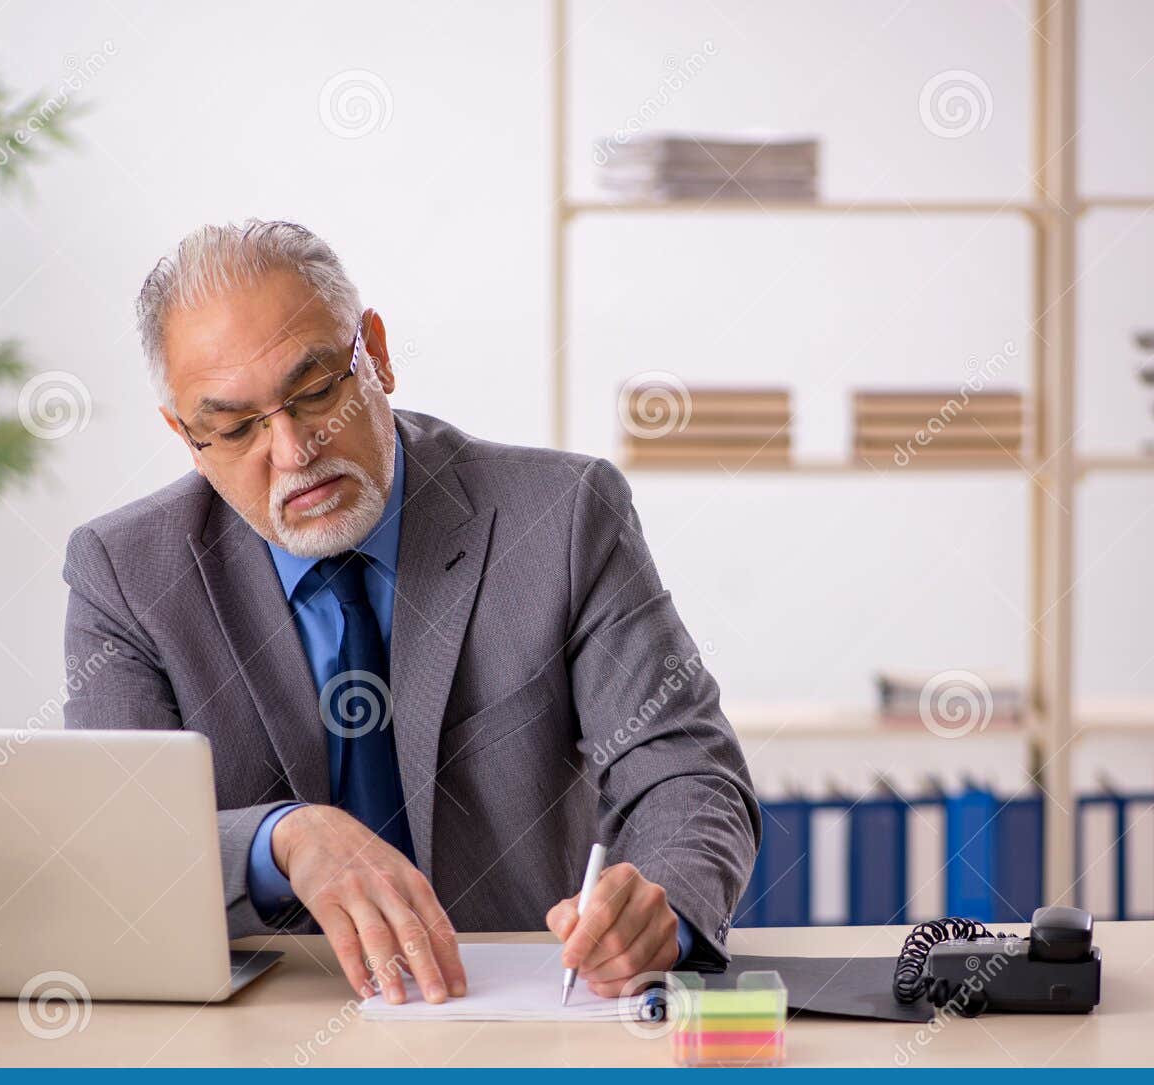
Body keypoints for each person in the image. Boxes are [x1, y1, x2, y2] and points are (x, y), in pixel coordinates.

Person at [62, 220, 759, 1005]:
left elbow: (685, 771)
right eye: (235, 427)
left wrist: (660, 903)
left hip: (528, 1030)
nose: (294, 450)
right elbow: (117, 847)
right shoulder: (126, 573)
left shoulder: (561, 518)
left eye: (317, 389)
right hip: (264, 1043)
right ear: (186, 437)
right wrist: (280, 838)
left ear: (377, 354)